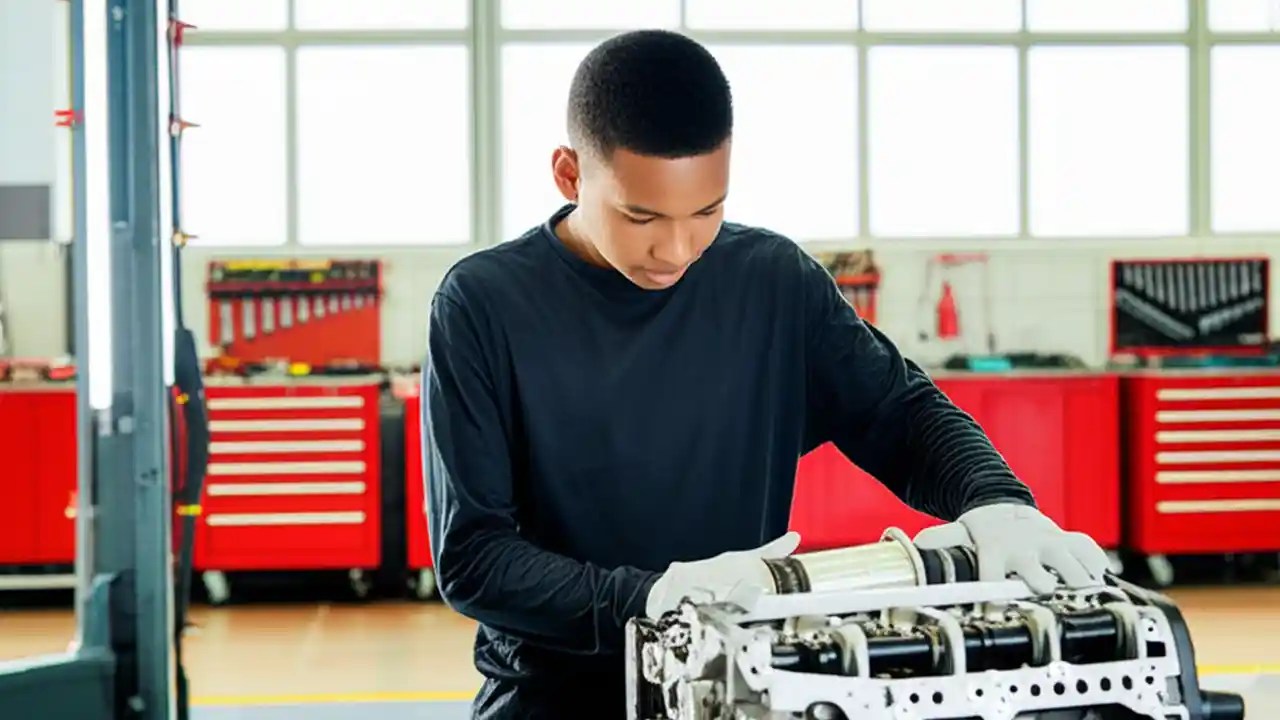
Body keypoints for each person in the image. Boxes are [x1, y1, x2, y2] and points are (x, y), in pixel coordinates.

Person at [422, 28, 1110, 719]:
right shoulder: (483, 305)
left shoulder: (772, 282)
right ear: (570, 175)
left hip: (743, 688)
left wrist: (996, 503)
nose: (678, 248)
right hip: (552, 700)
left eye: (707, 211)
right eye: (641, 216)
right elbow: (475, 558)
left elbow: (899, 414)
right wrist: (652, 599)